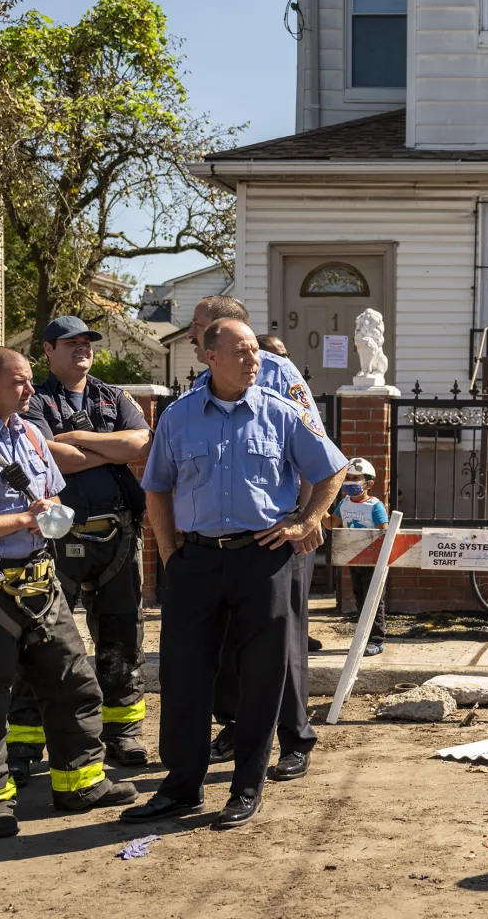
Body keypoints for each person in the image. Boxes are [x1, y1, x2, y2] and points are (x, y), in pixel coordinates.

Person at [122, 318, 346, 829]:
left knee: (263, 676)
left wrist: (306, 520)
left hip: (261, 558)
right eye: (241, 351)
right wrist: (171, 554)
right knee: (184, 674)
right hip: (195, 561)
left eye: (255, 351)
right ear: (208, 355)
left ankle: (246, 787)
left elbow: (331, 467)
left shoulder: (283, 413)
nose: (253, 360)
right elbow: (156, 487)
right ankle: (182, 788)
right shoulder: (178, 418)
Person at [0, 346, 137, 837]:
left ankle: (80, 782)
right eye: (19, 381)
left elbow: (53, 498)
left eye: (28, 380)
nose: (29, 389)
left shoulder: (31, 437)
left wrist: (51, 514)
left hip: (42, 584)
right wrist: (26, 518)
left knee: (74, 685)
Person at [5, 317, 152, 782]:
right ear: (47, 350)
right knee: (41, 638)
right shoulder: (35, 400)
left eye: (87, 343)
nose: (82, 350)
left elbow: (141, 443)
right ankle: (27, 741)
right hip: (56, 538)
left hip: (119, 537)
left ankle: (123, 735)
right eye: (71, 343)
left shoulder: (113, 397)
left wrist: (78, 440)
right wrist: (107, 450)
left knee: (122, 638)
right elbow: (47, 455)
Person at [190, 297, 326, 772]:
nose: (193, 335)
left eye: (200, 326)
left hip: (277, 533)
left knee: (281, 642)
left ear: (227, 327)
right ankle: (237, 725)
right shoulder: (205, 378)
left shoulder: (277, 372)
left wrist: (307, 519)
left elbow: (316, 449)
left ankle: (293, 738)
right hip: (223, 543)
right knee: (229, 641)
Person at [330, 457, 389, 656]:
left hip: (372, 562)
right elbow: (331, 524)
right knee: (360, 598)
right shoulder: (344, 504)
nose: (350, 481)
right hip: (353, 559)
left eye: (356, 478)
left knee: (374, 600)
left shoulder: (375, 506)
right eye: (347, 477)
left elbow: (384, 533)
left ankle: (377, 639)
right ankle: (364, 637)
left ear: (368, 483)